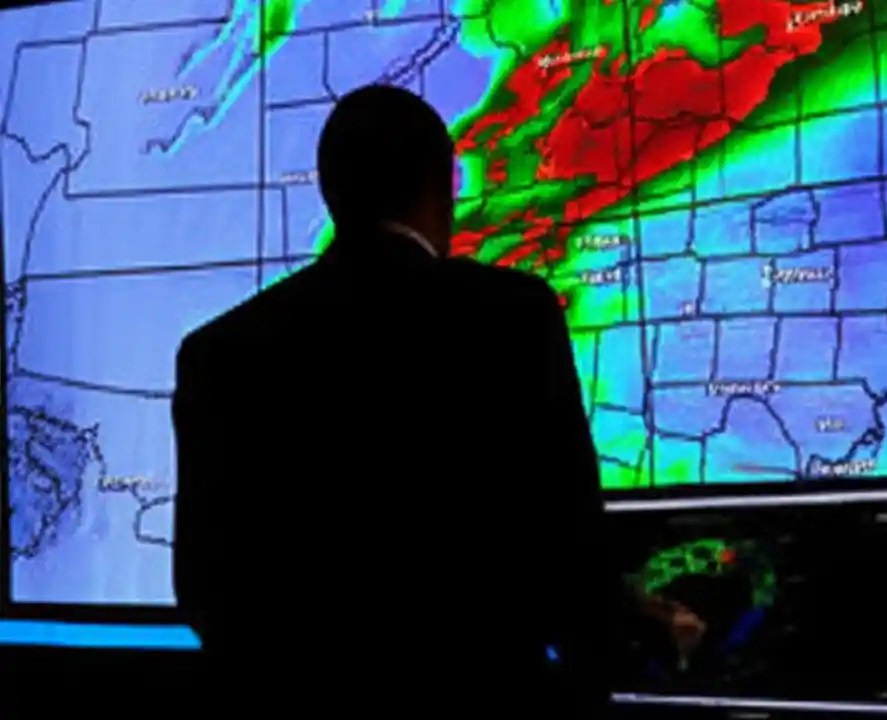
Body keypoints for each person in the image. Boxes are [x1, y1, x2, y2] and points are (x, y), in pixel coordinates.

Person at [171, 84, 607, 712]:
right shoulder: (511, 318)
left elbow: (206, 591)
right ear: (442, 191)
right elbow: (570, 565)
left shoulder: (218, 355)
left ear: (330, 193)